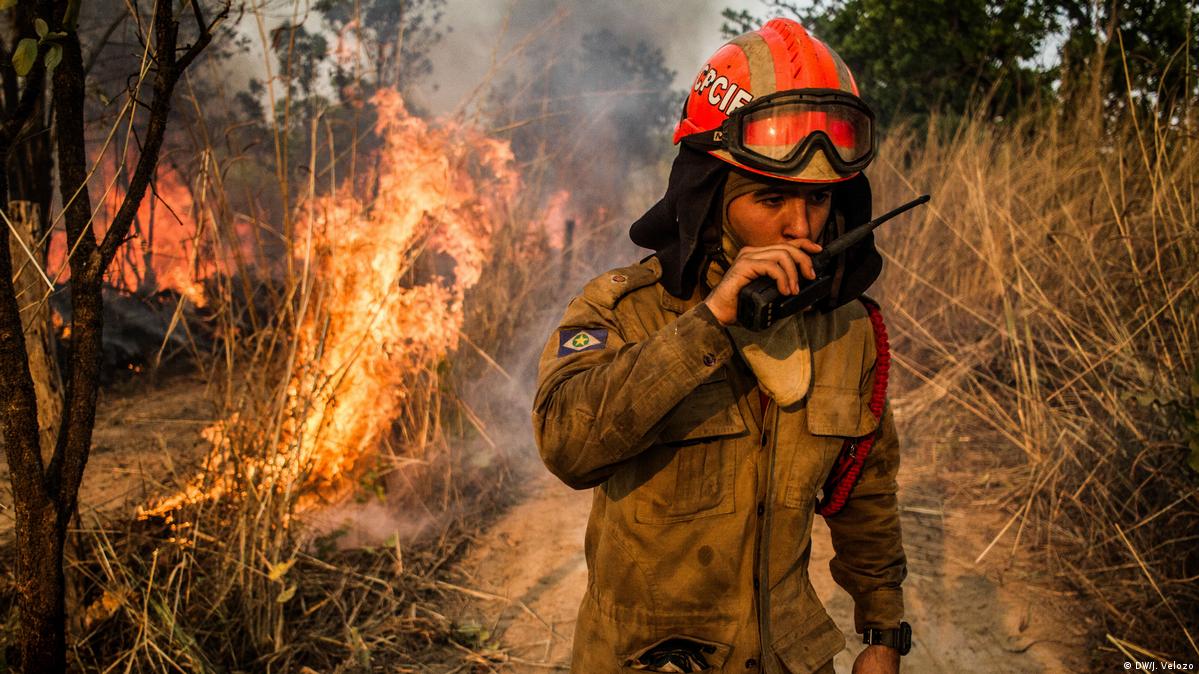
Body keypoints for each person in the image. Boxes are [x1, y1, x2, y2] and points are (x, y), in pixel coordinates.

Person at [532, 18, 909, 674]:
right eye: (769, 198)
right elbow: (566, 446)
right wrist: (708, 325)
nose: (801, 227)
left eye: (819, 201)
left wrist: (881, 631)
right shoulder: (624, 308)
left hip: (788, 658)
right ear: (706, 195)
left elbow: (864, 492)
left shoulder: (848, 331)